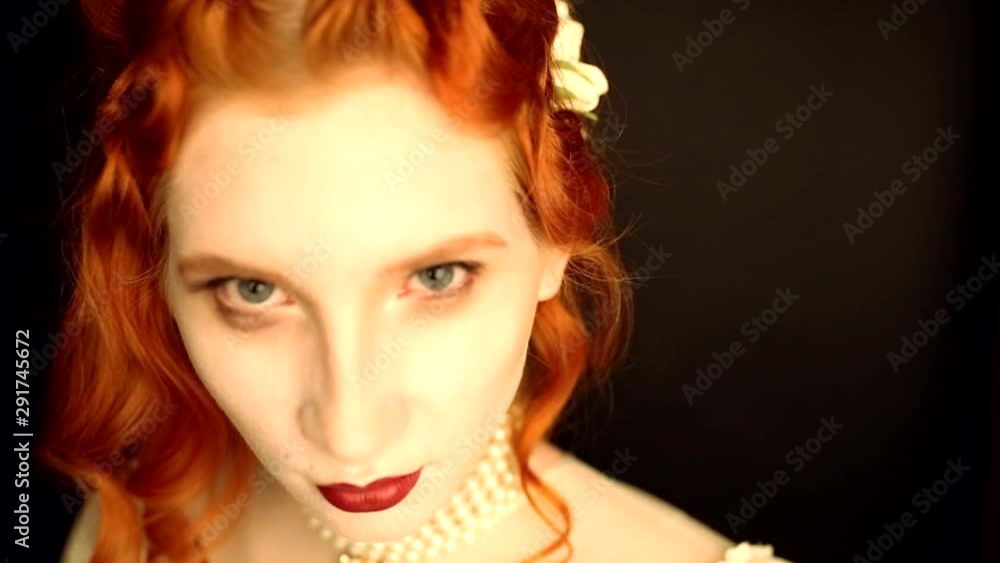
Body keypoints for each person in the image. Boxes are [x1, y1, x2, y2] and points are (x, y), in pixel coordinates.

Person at [41, 0, 792, 561]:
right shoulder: (138, 517)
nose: (350, 432)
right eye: (253, 291)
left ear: (556, 235)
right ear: (158, 272)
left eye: (437, 275)